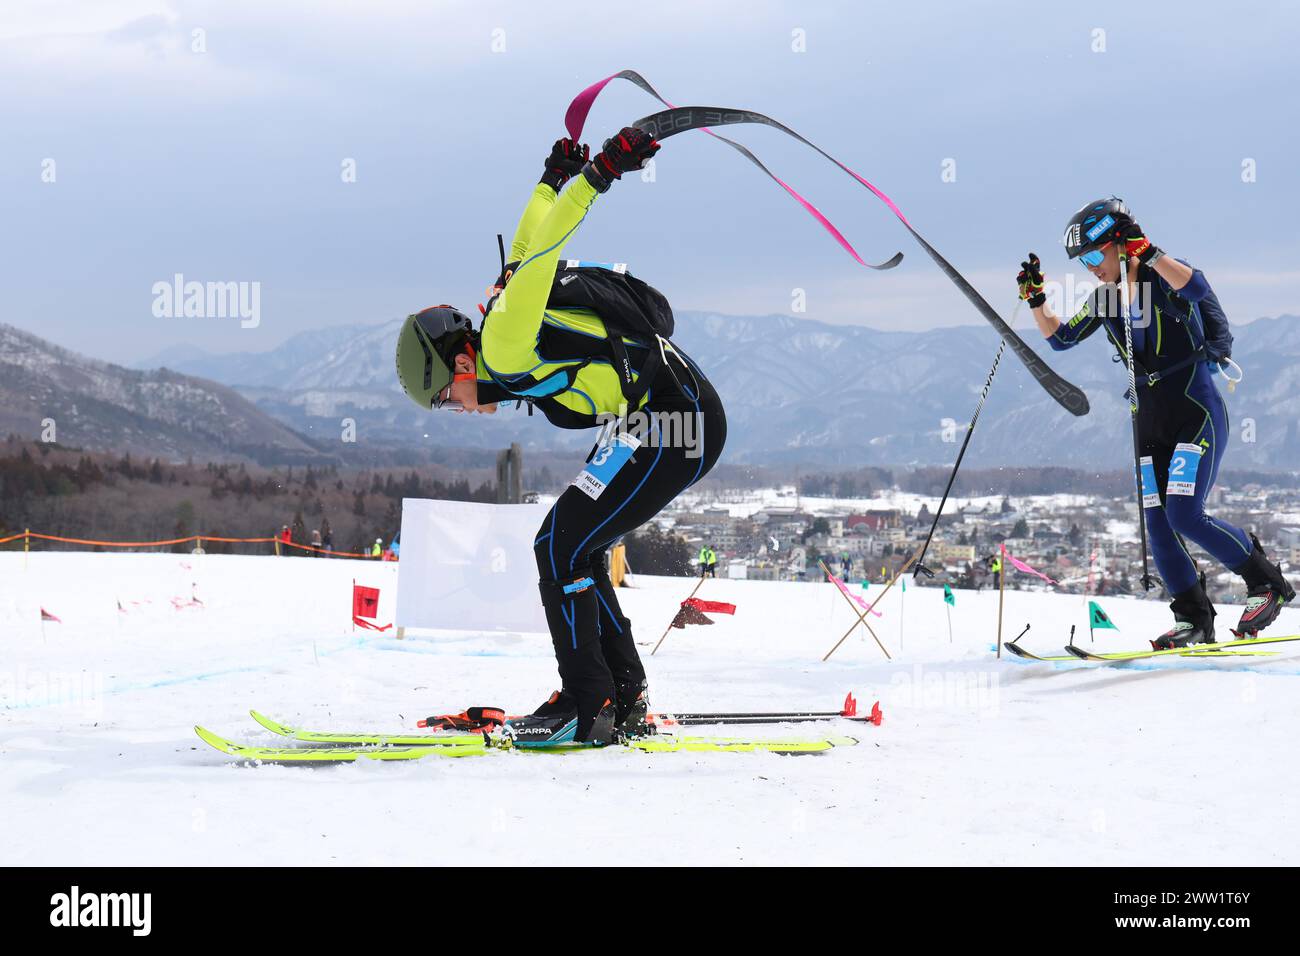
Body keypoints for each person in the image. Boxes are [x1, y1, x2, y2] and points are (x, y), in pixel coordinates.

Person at [394, 129, 727, 745]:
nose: (455, 408)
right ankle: (618, 695)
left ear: (458, 365)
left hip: (679, 423)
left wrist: (601, 172)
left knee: (562, 547)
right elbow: (527, 240)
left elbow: (547, 247)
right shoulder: (501, 329)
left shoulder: (505, 340)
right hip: (646, 422)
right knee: (564, 543)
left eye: (445, 396)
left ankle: (588, 702)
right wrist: (552, 176)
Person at [1018, 197, 1294, 647]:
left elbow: (1197, 288)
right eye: (1081, 261)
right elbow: (1060, 339)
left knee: (1185, 514)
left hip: (1194, 410)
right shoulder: (1106, 298)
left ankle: (1267, 584)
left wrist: (1148, 252)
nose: (1089, 267)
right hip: (1149, 422)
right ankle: (1193, 616)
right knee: (1160, 526)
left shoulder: (1162, 275)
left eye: (1093, 255)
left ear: (1119, 244)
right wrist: (1036, 298)